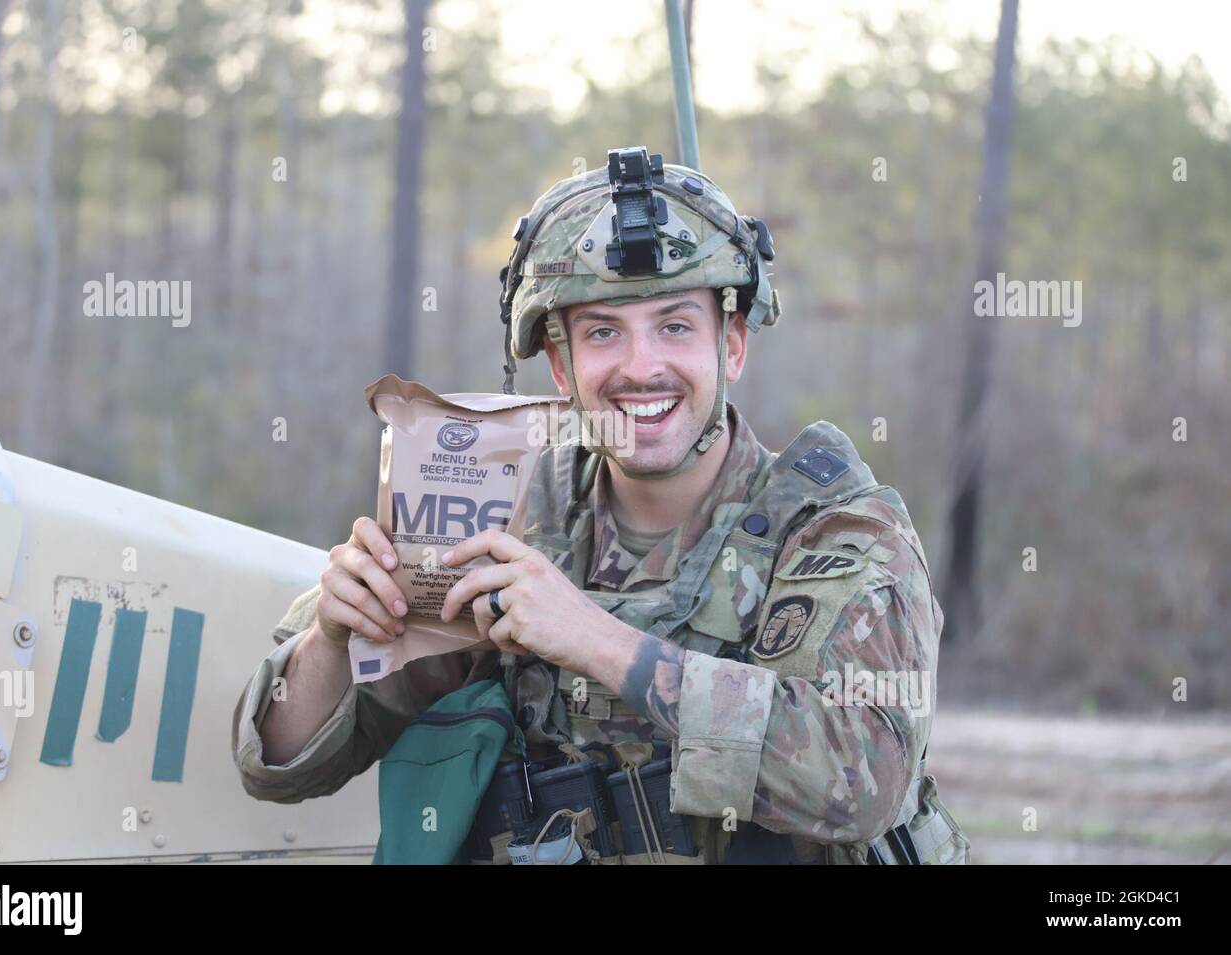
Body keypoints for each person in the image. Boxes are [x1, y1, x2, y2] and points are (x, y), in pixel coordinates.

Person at [231, 147, 970, 864]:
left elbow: (861, 779)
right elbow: (284, 762)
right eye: (602, 332)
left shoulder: (837, 531)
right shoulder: (502, 511)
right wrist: (330, 637)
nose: (641, 367)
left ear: (732, 345)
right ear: (562, 365)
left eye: (676, 326)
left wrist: (597, 640)